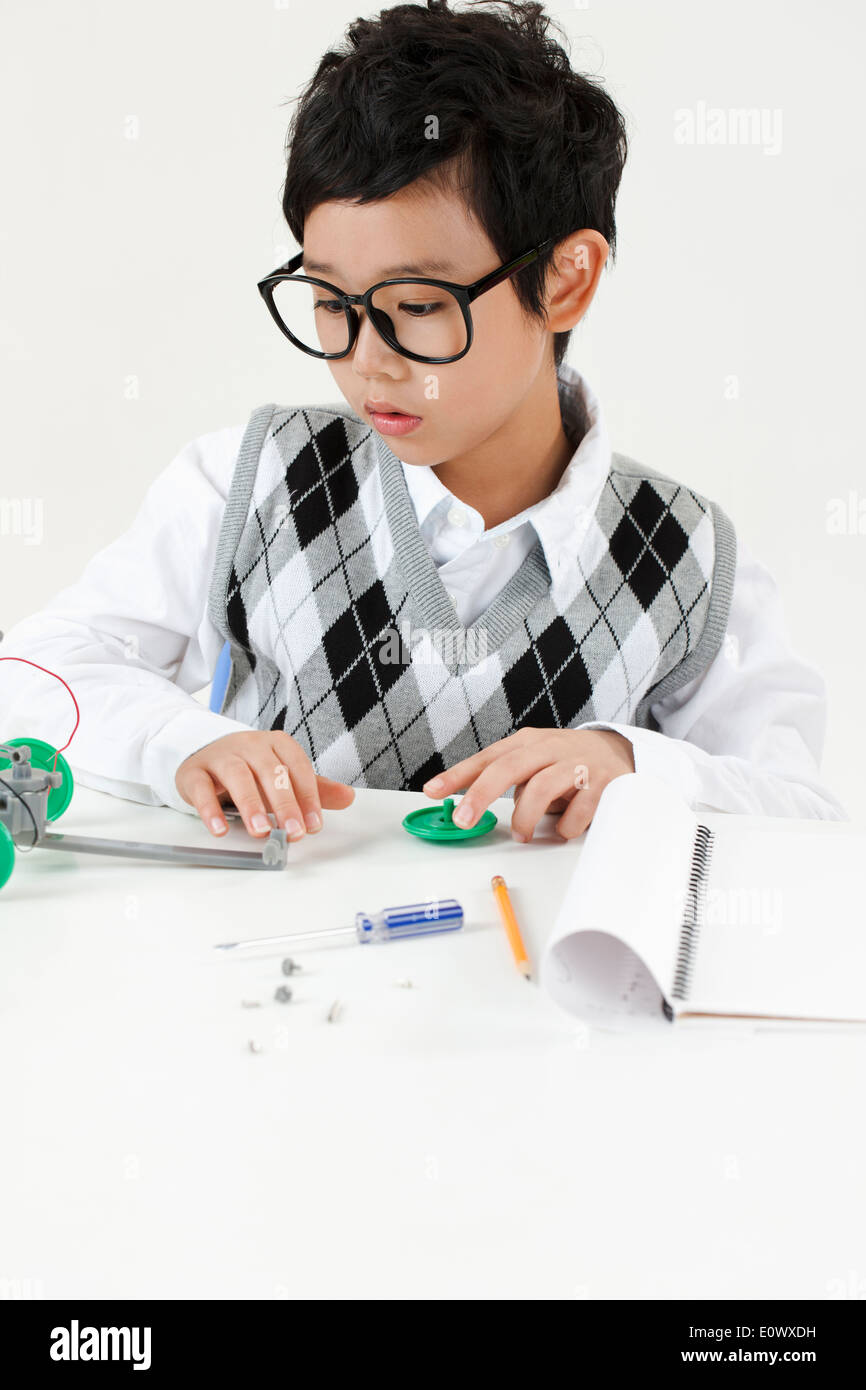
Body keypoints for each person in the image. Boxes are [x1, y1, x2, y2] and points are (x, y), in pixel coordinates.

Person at [0, 0, 847, 846]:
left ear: (566, 280)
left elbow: (805, 819)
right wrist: (181, 741)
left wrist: (633, 764)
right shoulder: (251, 482)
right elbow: (36, 670)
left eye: (416, 305)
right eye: (331, 301)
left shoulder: (687, 557)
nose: (368, 359)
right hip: (287, 932)